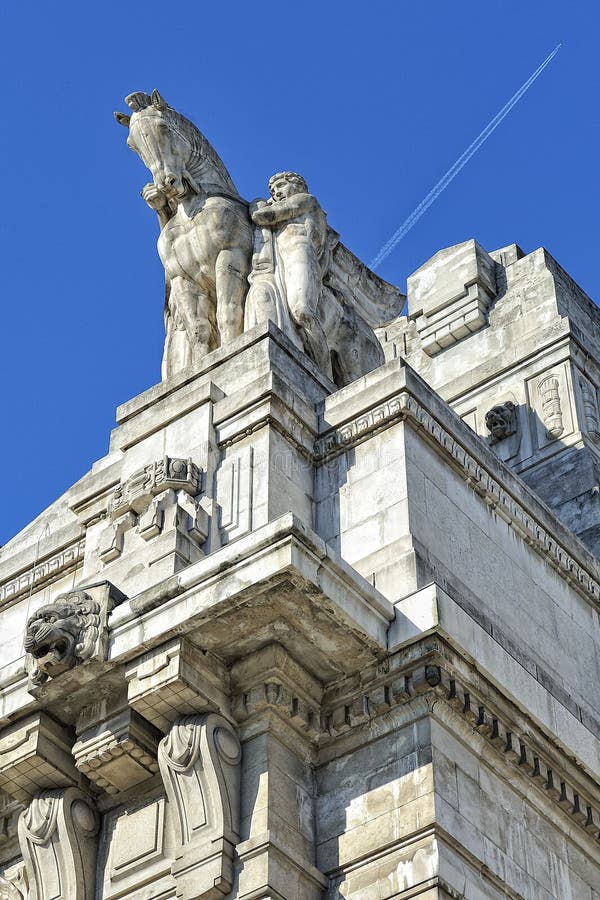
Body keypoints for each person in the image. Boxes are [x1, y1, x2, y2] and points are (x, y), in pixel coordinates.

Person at [249, 172, 332, 375]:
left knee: (302, 311)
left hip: (300, 253)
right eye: (273, 190)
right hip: (280, 260)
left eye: (281, 185)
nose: (276, 193)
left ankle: (325, 372)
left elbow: (263, 216)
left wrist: (257, 204)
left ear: (297, 185)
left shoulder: (306, 200)